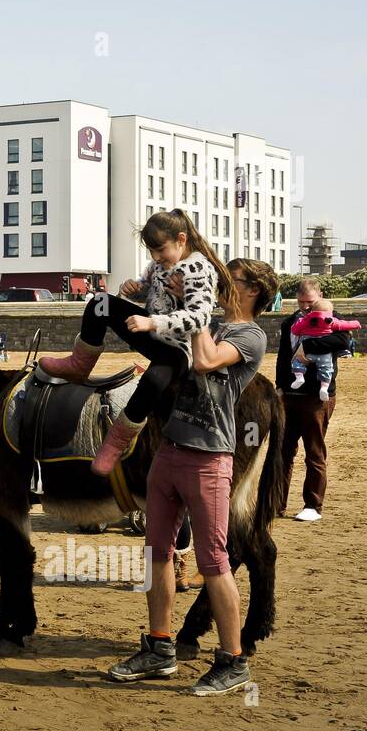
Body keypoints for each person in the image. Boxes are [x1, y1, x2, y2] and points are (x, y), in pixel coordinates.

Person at [107, 257, 277, 696]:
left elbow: (203, 361)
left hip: (209, 457)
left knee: (214, 561)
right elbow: (165, 341)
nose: (220, 284)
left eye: (231, 279)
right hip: (170, 450)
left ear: (253, 291)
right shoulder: (210, 322)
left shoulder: (249, 335)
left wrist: (194, 308)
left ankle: (233, 660)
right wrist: (148, 297)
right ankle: (160, 646)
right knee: (156, 554)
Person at [40, 209, 231, 476]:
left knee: (152, 382)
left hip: (178, 349)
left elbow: (199, 318)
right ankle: (79, 364)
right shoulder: (159, 266)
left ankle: (116, 442)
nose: (155, 258)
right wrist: (133, 289)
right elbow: (153, 294)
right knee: (100, 302)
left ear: (181, 240)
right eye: (151, 252)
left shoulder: (198, 269)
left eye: (160, 250)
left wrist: (153, 322)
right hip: (152, 332)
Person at [276, 276, 350, 523]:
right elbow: (283, 355)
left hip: (317, 397)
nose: (306, 307)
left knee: (314, 453)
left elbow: (342, 340)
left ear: (320, 296)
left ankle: (312, 505)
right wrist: (279, 386)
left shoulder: (331, 316)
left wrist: (307, 348)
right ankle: (277, 504)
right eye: (301, 301)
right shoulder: (290, 322)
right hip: (289, 395)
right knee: (283, 452)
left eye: (310, 302)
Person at [289, 299, 361, 401]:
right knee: (326, 369)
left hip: (307, 353)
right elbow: (345, 324)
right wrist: (357, 324)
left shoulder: (306, 319)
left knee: (297, 361)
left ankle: (299, 376)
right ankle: (324, 388)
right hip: (324, 353)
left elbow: (295, 329)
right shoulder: (331, 320)